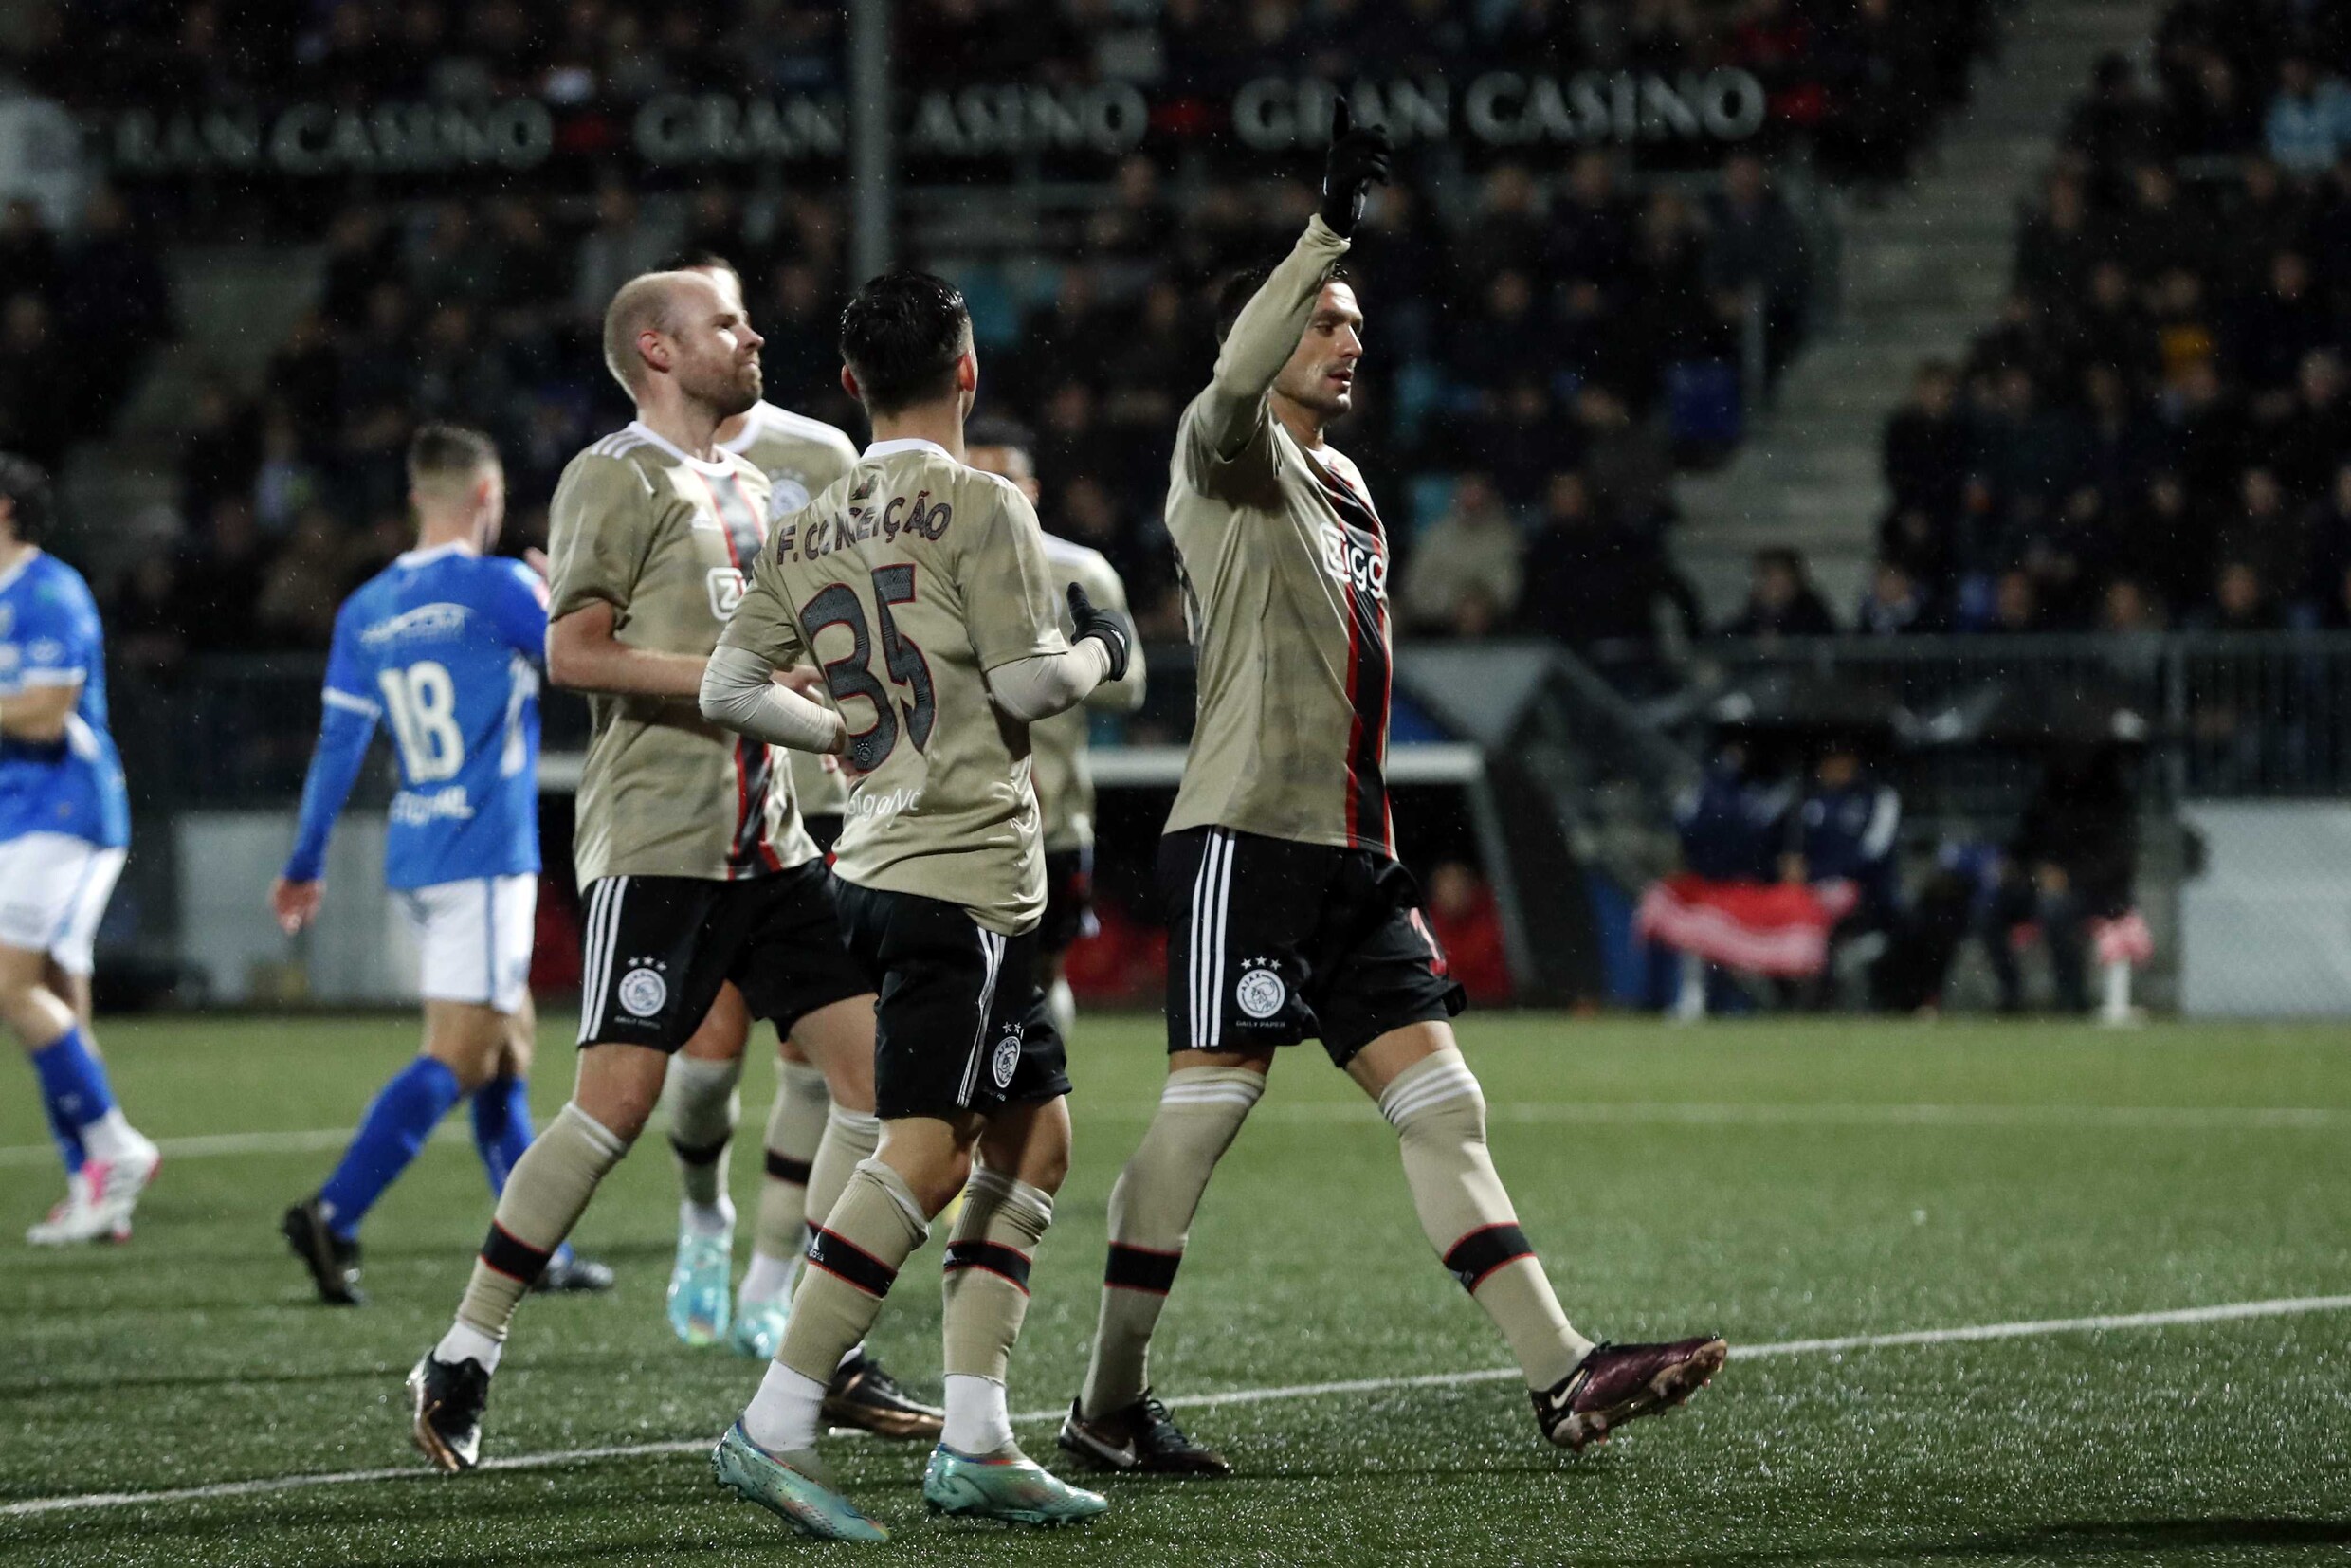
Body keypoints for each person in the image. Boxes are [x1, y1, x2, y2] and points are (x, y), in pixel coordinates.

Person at [1063, 105, 1725, 1477]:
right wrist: (1325, 233)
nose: (1350, 338)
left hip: (1355, 856)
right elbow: (1233, 375)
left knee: (1447, 1108)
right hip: (1247, 834)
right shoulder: (1222, 455)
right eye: (1326, 320)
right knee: (1207, 1107)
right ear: (1273, 328)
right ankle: (1105, 1400)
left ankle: (1564, 1372)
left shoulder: (1351, 485)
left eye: (1357, 322)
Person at [406, 268, 933, 1477]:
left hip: (774, 844)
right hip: (660, 844)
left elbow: (762, 657)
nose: (751, 336)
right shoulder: (614, 476)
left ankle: (823, 1342)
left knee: (888, 1089)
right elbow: (573, 651)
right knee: (615, 1110)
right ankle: (465, 1348)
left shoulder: (749, 483)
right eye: (724, 326)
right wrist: (733, 684)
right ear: (656, 347)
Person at [697, 270, 1126, 1537]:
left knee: (1034, 1138)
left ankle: (979, 1438)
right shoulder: (984, 502)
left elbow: (728, 686)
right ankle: (774, 1416)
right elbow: (1036, 686)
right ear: (969, 366)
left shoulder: (811, 516)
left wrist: (825, 722)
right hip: (962, 873)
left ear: (848, 382)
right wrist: (1103, 646)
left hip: (873, 862)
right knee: (929, 1145)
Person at [272, 425, 610, 1305]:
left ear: (418, 497)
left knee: (506, 1048)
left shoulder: (366, 609)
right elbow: (586, 665)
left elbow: (339, 746)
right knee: (462, 1053)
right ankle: (334, 1212)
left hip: (418, 851)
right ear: (488, 499)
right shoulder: (500, 587)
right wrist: (563, 589)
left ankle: (536, 1249)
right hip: (486, 852)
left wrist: (305, 860)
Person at [659, 254, 869, 1360]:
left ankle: (770, 1277)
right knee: (700, 1070)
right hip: (704, 801)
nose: (737, 337)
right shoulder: (637, 471)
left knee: (813, 1055)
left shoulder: (814, 454)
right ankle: (704, 1212)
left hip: (816, 795)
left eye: (738, 314)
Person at [0, 453, 159, 1245]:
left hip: (66, 813)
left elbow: (46, 713)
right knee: (54, 996)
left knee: (11, 982)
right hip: (20, 817)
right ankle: (97, 1187)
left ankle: (115, 1148)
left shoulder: (50, 590)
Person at [963, 417, 1147, 1046]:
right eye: (974, 476)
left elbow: (1132, 685)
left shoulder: (1080, 572)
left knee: (1043, 969)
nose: (989, 490)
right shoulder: (926, 567)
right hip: (954, 811)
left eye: (1002, 478)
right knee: (958, 975)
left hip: (1055, 814)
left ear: (1031, 490)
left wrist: (1063, 662)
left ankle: (1044, 1099)